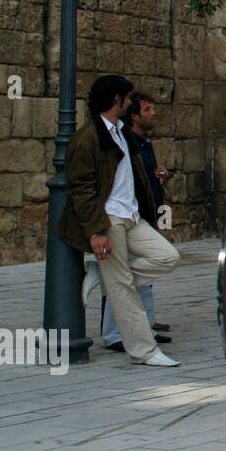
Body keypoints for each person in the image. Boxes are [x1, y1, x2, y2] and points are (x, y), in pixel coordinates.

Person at [58, 75, 181, 367]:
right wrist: (95, 232)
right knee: (123, 288)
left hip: (132, 216)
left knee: (168, 257)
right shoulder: (87, 138)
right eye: (127, 97)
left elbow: (133, 176)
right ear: (117, 99)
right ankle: (144, 351)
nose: (130, 102)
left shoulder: (122, 131)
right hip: (108, 219)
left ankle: (103, 276)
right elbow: (81, 189)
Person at [100, 91, 171, 352]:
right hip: (121, 214)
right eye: (148, 109)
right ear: (134, 115)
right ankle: (113, 334)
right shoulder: (121, 139)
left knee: (149, 269)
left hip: (139, 214)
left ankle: (146, 326)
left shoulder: (141, 142)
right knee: (121, 276)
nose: (153, 114)